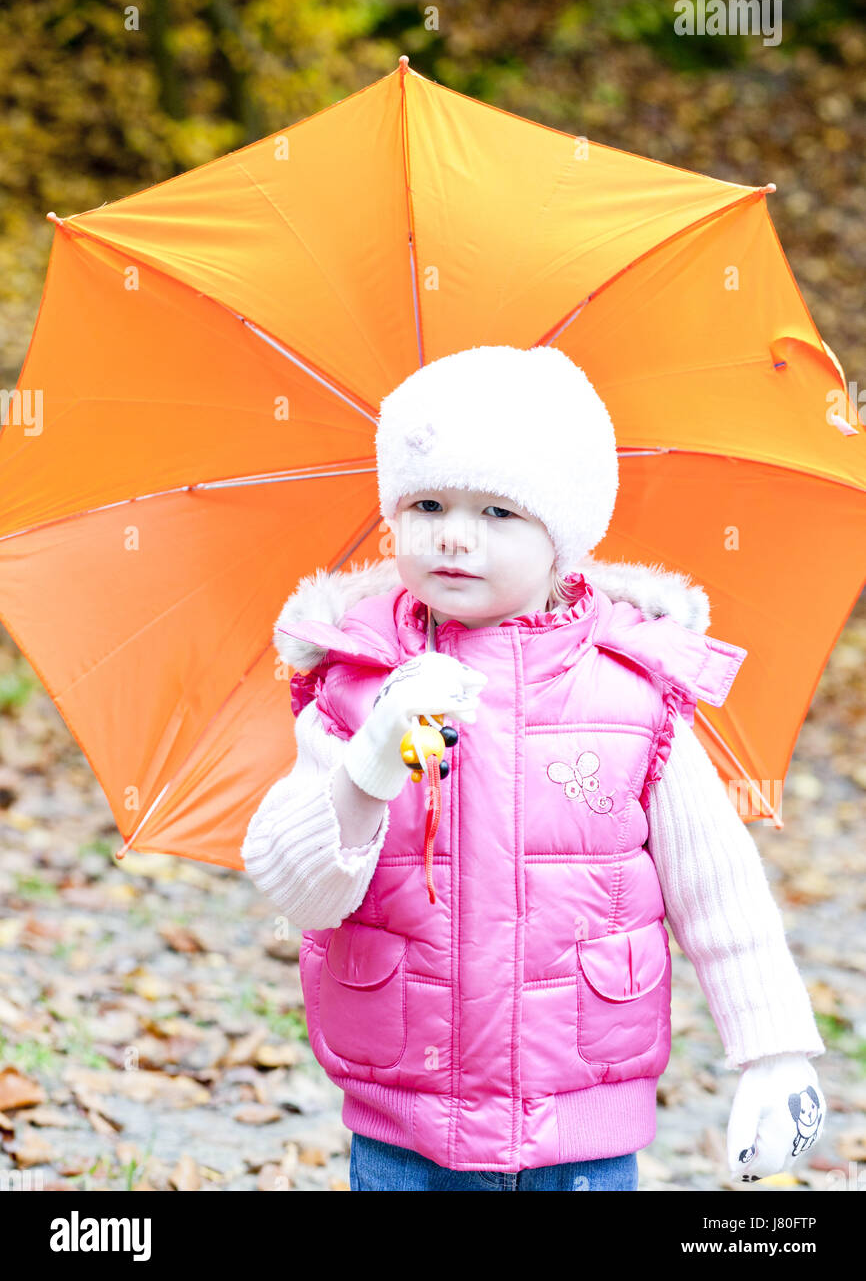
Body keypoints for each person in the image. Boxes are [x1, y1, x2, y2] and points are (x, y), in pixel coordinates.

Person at [241, 344, 826, 1191]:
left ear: (564, 532)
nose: (452, 535)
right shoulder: (354, 683)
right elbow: (300, 890)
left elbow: (719, 888)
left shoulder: (630, 691)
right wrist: (370, 763)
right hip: (405, 1128)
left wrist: (773, 1052)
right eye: (428, 503)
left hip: (577, 1130)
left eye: (499, 512)